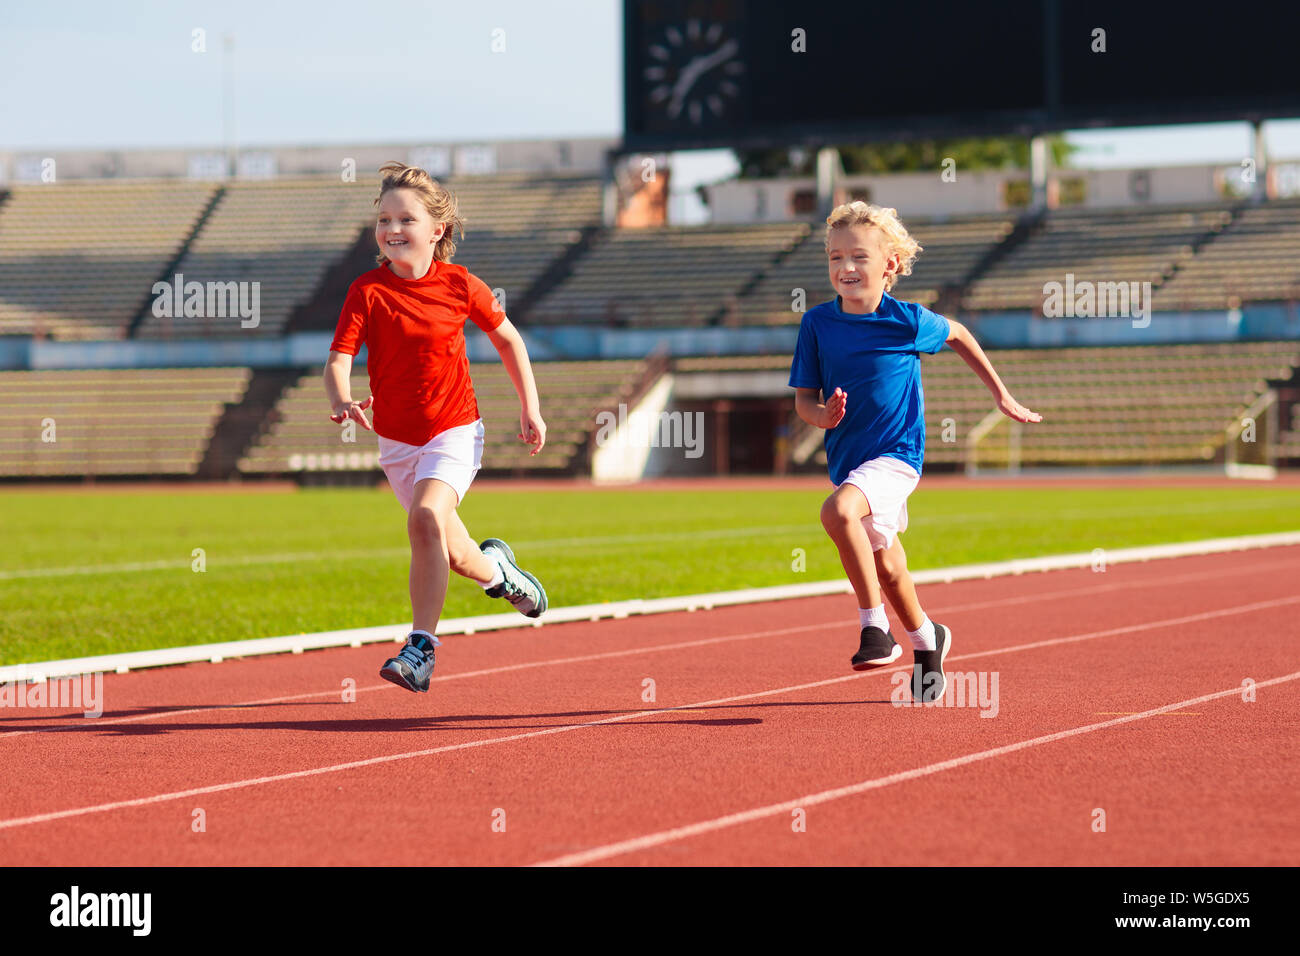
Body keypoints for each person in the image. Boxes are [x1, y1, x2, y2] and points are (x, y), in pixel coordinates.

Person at [789, 201, 1041, 702]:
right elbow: (804, 401)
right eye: (836, 258)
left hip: (898, 455)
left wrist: (1000, 394)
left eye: (859, 257)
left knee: (837, 512)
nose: (846, 268)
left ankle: (873, 629)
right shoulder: (817, 324)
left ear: (891, 265)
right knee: (888, 567)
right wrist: (823, 418)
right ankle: (928, 640)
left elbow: (960, 334)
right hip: (849, 460)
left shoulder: (907, 322)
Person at [325, 162, 548, 694]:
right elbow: (339, 359)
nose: (392, 229)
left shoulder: (459, 284)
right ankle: (503, 574)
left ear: (437, 230)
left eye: (406, 218)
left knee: (424, 517)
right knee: (452, 551)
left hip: (453, 430)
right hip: (398, 442)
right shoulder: (366, 291)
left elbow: (509, 341)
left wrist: (529, 408)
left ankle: (420, 647)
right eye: (384, 219)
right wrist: (340, 398)